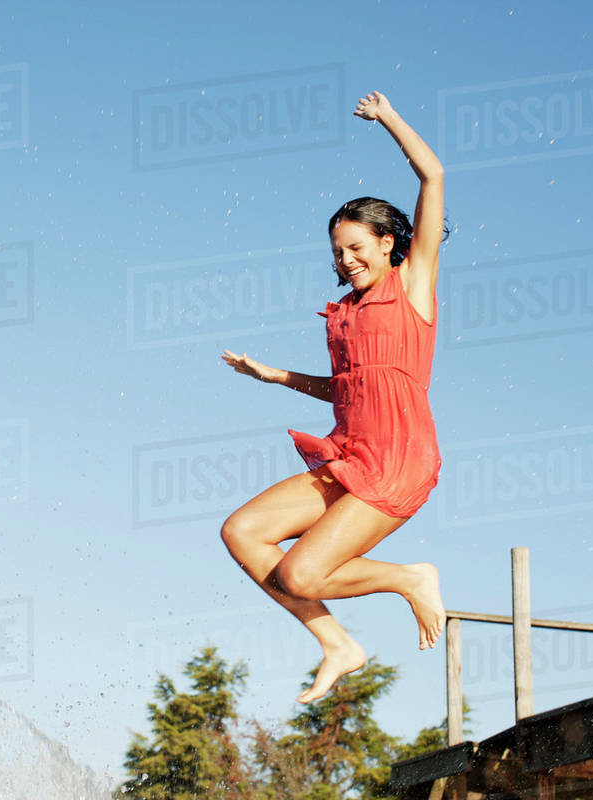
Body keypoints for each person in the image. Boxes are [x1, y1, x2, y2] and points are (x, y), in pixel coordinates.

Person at [220, 90, 449, 704]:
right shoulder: (344, 314)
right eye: (337, 252)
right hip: (351, 453)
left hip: (398, 462)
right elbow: (352, 388)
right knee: (242, 532)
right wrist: (280, 378)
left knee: (300, 571)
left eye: (356, 248)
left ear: (387, 243)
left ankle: (410, 579)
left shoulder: (414, 285)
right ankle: (337, 644)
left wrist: (390, 118)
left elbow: (433, 174)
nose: (346, 261)